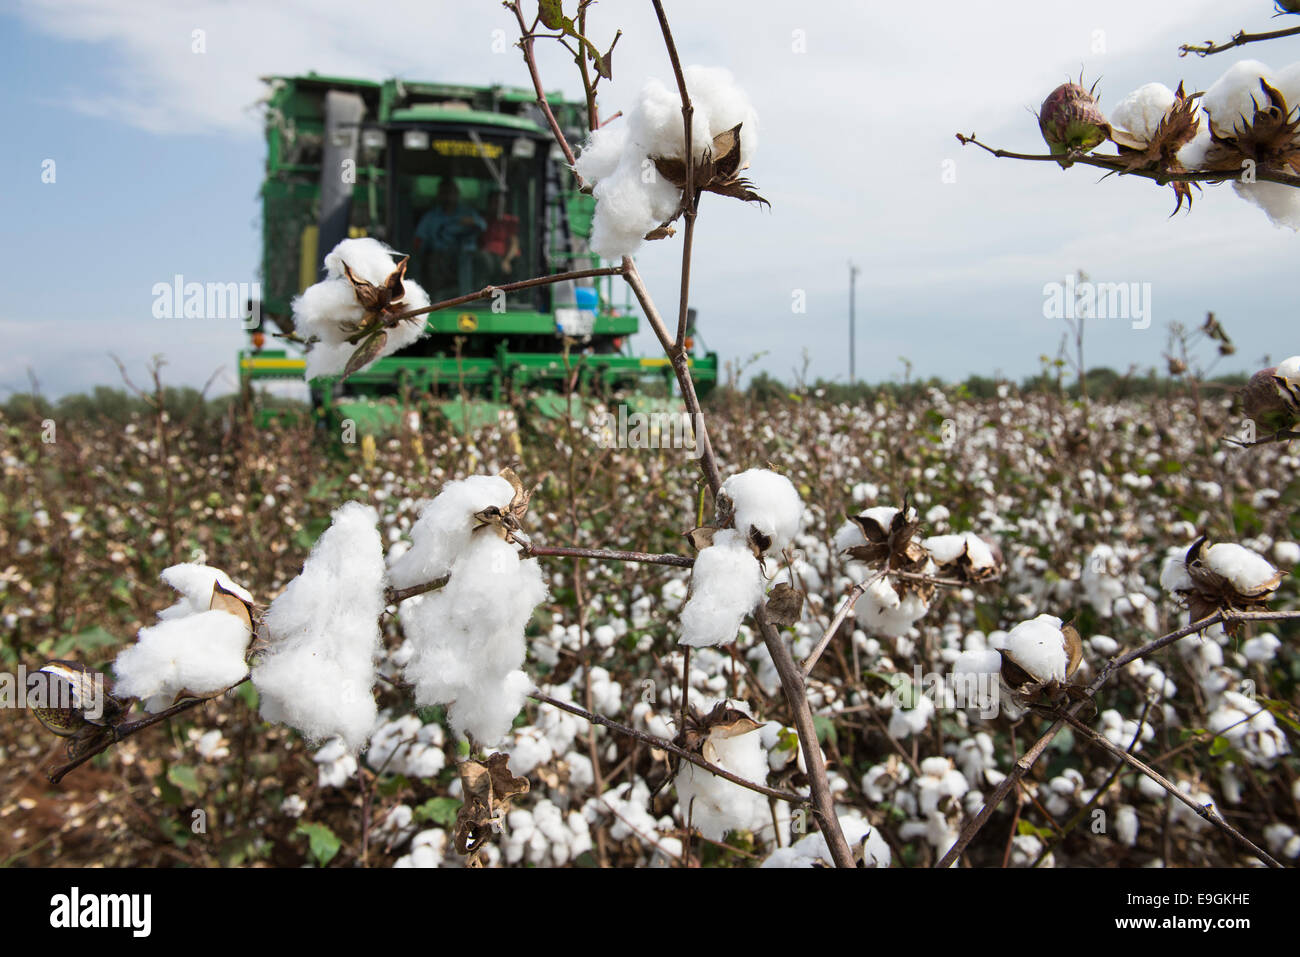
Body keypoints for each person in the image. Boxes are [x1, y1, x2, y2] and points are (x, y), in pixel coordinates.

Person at [413, 178, 485, 294]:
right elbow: (419, 240)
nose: (449, 197)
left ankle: (474, 296)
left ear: (457, 194)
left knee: (481, 260)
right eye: (445, 193)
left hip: (467, 257)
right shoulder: (431, 217)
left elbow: (483, 226)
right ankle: (436, 297)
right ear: (439, 195)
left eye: (452, 192)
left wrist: (472, 222)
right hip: (439, 257)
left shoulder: (467, 213)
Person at [479, 187, 522, 281]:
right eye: (494, 202)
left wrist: (507, 261)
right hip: (486, 261)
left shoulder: (510, 221)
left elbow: (514, 244)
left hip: (505, 259)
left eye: (499, 203)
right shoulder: (482, 220)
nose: (496, 206)